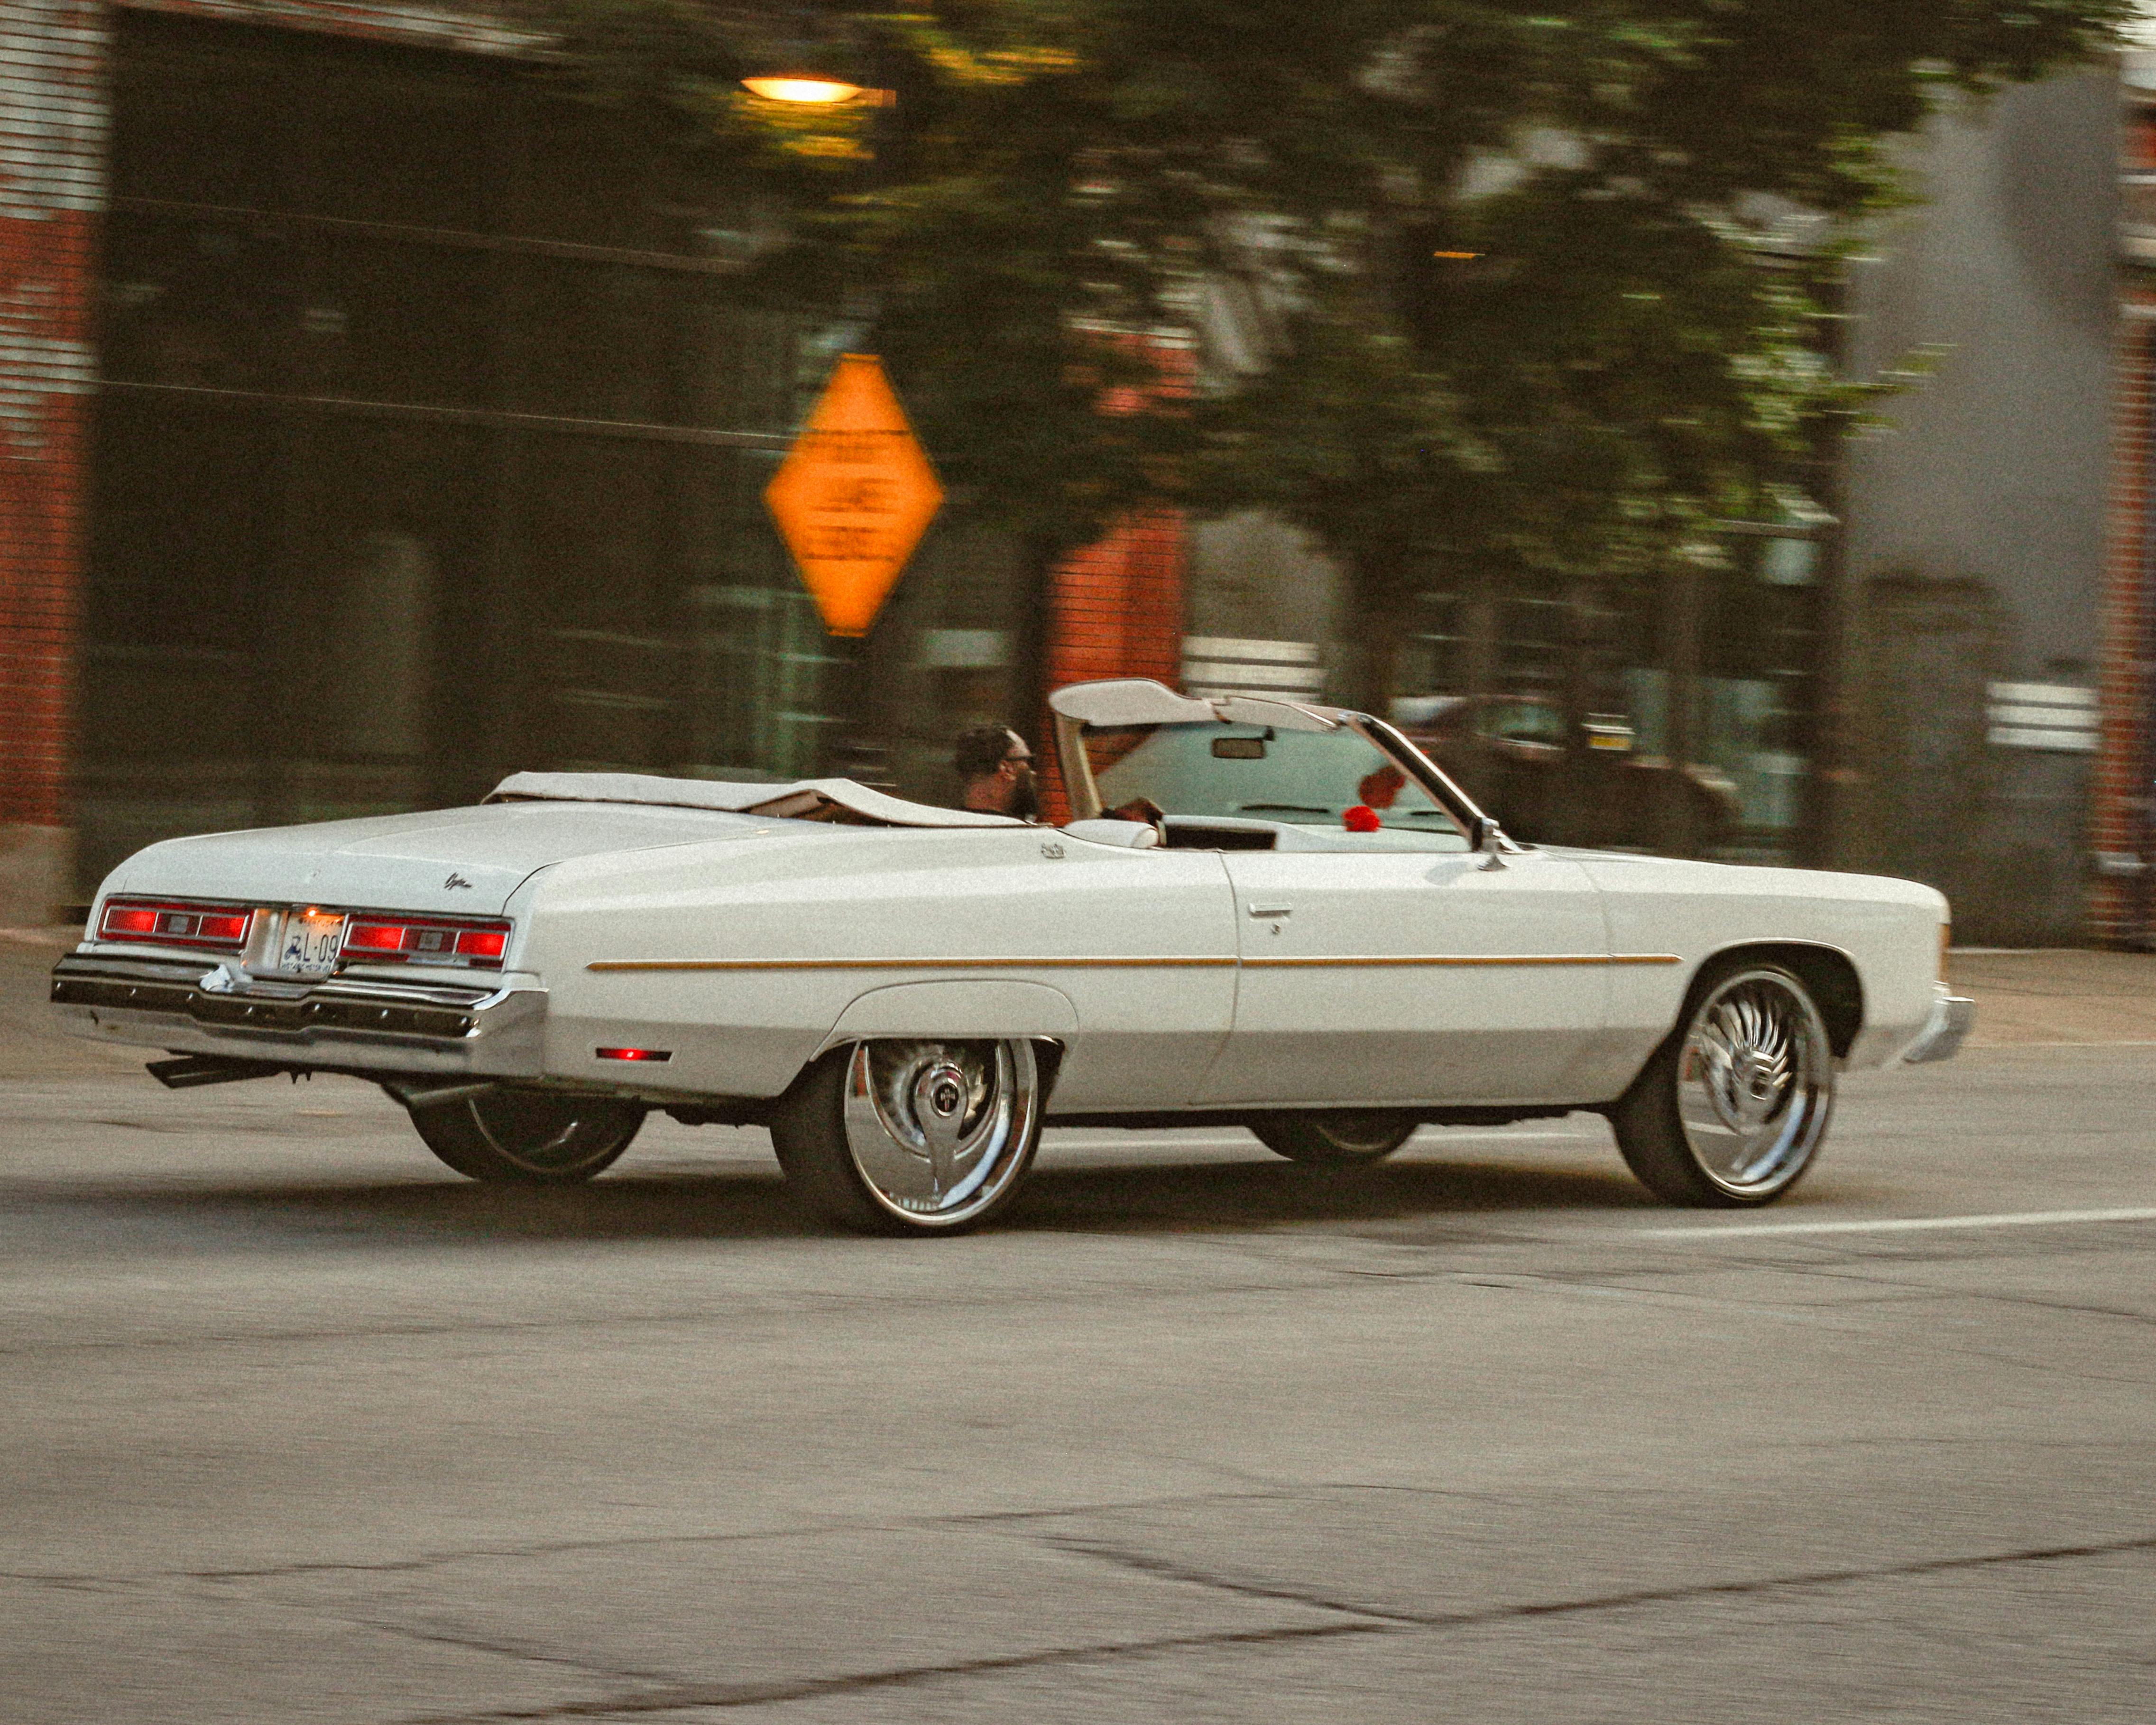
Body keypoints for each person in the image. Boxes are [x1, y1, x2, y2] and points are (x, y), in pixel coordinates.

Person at [953, 725, 1040, 820]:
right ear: (1007, 769)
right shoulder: (1025, 833)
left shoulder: (947, 826)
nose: (1034, 773)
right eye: (1030, 761)